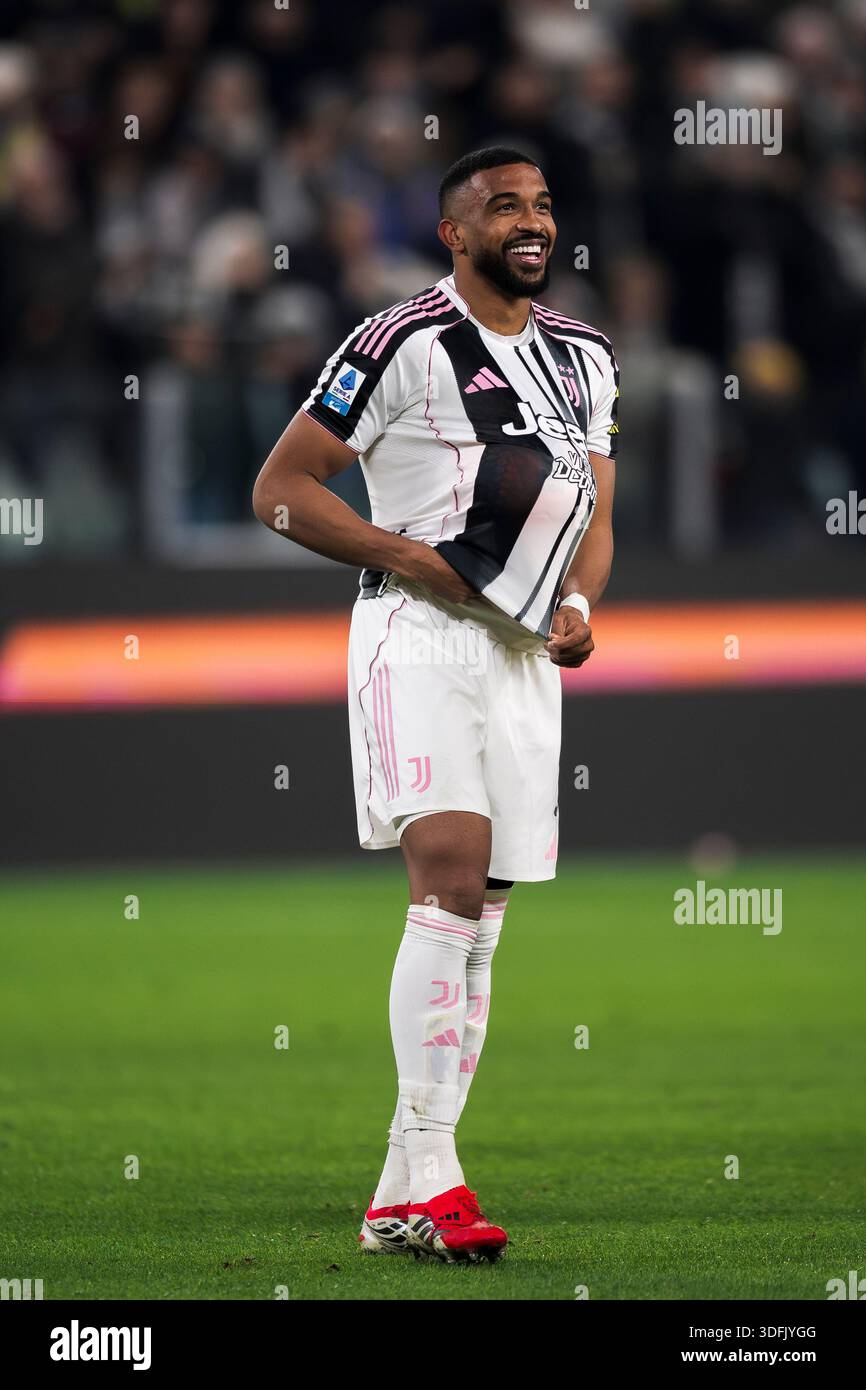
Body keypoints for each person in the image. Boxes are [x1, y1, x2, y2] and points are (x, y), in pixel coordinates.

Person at [253, 146, 618, 1263]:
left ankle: (403, 1189)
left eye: (542, 204)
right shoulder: (399, 341)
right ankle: (435, 1176)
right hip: (416, 637)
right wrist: (404, 557)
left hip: (517, 656)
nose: (531, 221)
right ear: (453, 232)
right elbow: (281, 490)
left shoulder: (587, 358)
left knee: (484, 918)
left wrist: (576, 602)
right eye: (502, 205)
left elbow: (594, 514)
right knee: (450, 881)